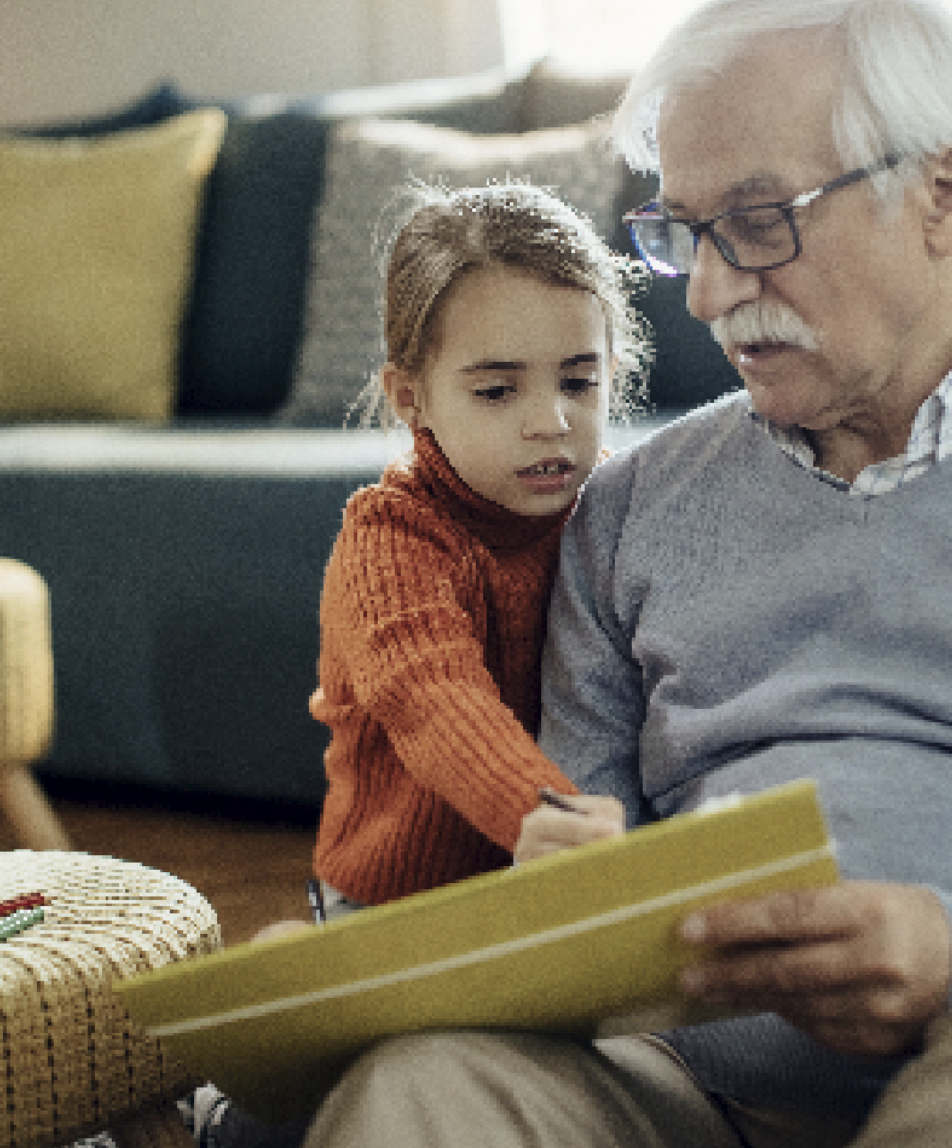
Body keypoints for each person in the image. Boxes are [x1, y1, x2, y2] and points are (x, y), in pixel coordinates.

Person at [299, 2, 952, 1147]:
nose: (703, 293)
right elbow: (578, 888)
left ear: (946, 194)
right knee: (423, 1081)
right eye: (682, 230)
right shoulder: (630, 505)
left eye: (755, 220)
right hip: (684, 1098)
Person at [182, 181, 640, 1148]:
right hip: (392, 909)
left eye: (579, 380)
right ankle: (221, 1111)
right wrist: (541, 810)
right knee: (318, 1112)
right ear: (409, 396)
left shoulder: (609, 511)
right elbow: (437, 701)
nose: (551, 420)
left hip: (537, 904)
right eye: (497, 389)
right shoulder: (391, 539)